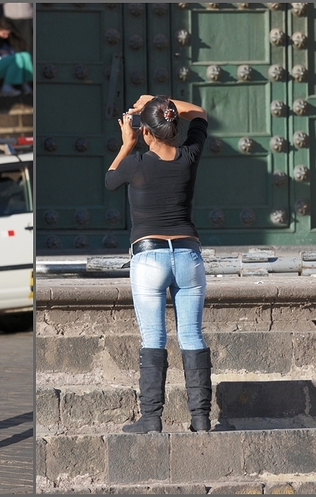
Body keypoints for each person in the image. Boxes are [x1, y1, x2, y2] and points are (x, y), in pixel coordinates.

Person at [105, 95, 212, 434]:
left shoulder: (134, 164)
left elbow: (109, 180)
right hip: (188, 255)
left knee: (154, 337)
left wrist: (126, 143)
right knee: (191, 334)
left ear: (145, 132)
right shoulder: (189, 156)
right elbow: (201, 113)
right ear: (172, 125)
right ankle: (200, 419)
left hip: (149, 256)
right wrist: (157, 101)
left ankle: (151, 419)